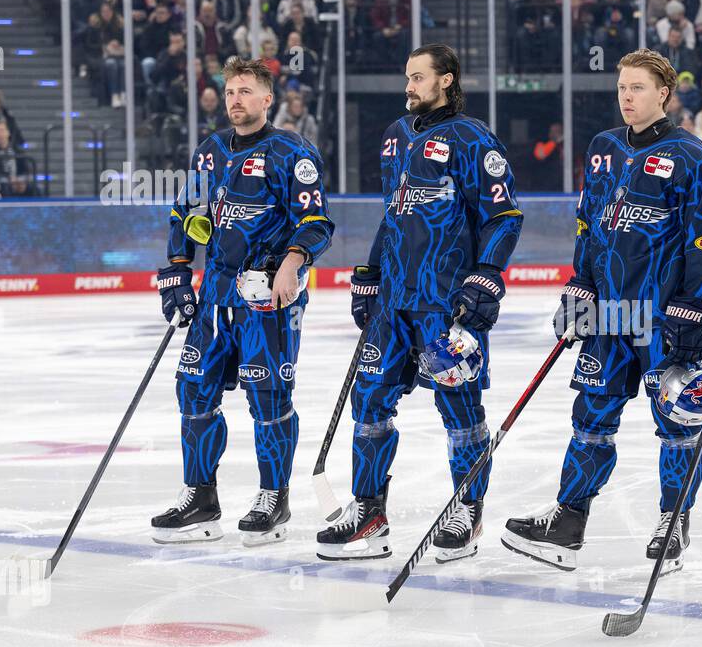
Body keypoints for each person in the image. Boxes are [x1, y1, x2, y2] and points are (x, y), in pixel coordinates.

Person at [502, 48, 702, 573]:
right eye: (622, 87)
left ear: (664, 93)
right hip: (607, 316)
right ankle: (569, 521)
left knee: (677, 423)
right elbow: (590, 225)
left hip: (661, 319)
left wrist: (694, 308)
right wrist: (579, 284)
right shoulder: (603, 148)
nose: (627, 96)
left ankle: (673, 522)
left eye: (639, 88)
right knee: (590, 420)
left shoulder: (691, 156)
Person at [320, 44, 521, 564]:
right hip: (395, 301)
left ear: (446, 80)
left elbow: (504, 217)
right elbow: (394, 213)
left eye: (418, 78)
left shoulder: (473, 139)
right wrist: (368, 273)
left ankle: (466, 510)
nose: (408, 86)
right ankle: (369, 511)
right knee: (369, 403)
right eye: (406, 77)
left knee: (459, 407)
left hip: (446, 303)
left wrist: (486, 278)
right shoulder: (394, 138)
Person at [151, 58, 334, 547]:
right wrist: (175, 269)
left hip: (267, 298)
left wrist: (293, 264)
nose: (235, 99)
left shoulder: (293, 152)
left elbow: (316, 222)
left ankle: (274, 497)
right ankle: (201, 498)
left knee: (268, 397)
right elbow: (186, 211)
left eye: (246, 91)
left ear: (267, 98)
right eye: (230, 91)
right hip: (215, 294)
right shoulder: (209, 152)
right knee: (193, 391)